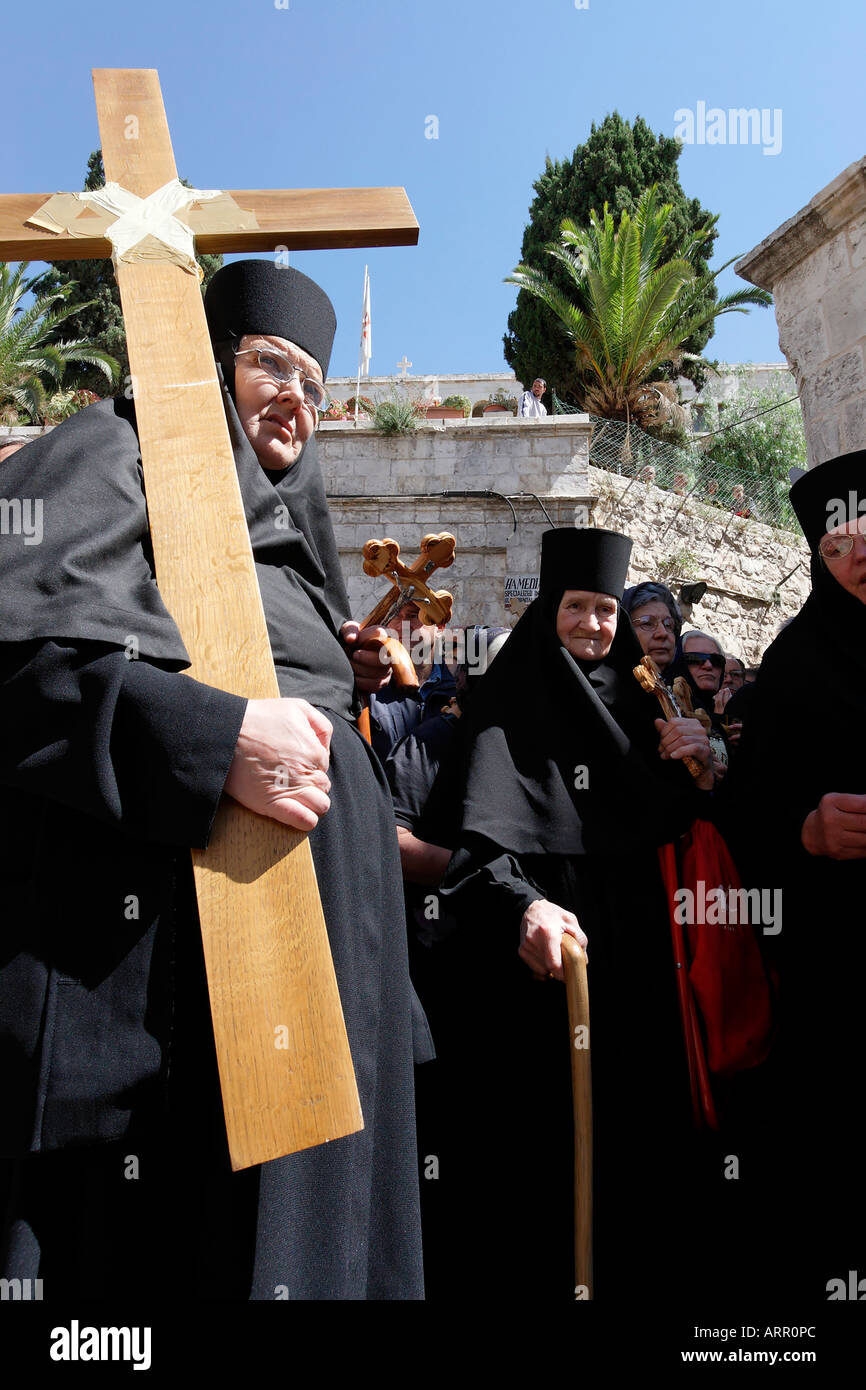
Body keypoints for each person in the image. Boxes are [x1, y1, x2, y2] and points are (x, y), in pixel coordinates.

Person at [0, 259, 427, 1301]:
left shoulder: (285, 539)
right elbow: (23, 657)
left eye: (315, 384)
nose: (297, 396)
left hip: (322, 992)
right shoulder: (114, 449)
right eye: (270, 363)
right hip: (166, 999)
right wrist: (212, 738)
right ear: (204, 366)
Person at [437, 527, 728, 1301]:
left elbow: (686, 812)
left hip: (634, 965)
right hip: (539, 968)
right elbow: (476, 845)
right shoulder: (506, 700)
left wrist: (704, 760)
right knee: (544, 1156)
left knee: (636, 1147)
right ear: (550, 609)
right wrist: (524, 906)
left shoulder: (638, 707)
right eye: (578, 608)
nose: (594, 625)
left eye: (607, 611)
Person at [721, 450, 866, 1299]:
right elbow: (746, 814)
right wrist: (805, 831)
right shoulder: (794, 666)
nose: (861, 554)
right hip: (840, 962)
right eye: (841, 540)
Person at [621, 580, 681, 678]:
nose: (663, 633)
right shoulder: (598, 691)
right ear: (625, 631)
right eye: (647, 623)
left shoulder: (679, 691)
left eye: (668, 625)